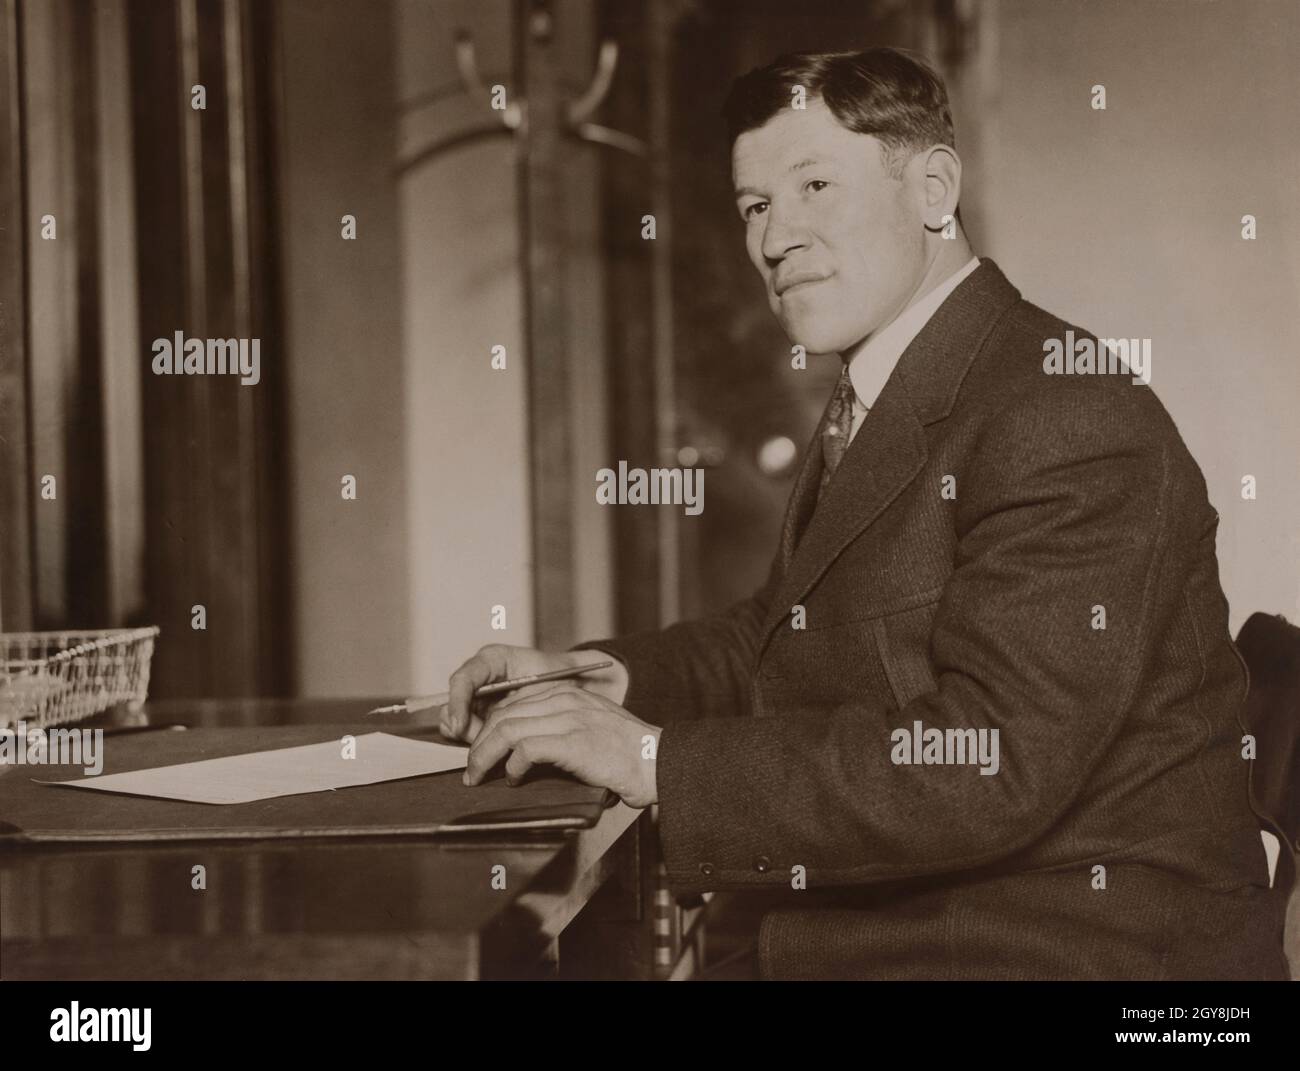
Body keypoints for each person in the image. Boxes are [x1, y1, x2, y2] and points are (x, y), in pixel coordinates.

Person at [443, 47, 1287, 980]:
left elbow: (988, 759)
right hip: (940, 926)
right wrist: (607, 680)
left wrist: (654, 761)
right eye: (755, 205)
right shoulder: (891, 384)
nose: (774, 239)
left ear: (933, 188)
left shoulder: (1064, 410)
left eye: (814, 185)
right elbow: (791, 631)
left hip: (1089, 958)